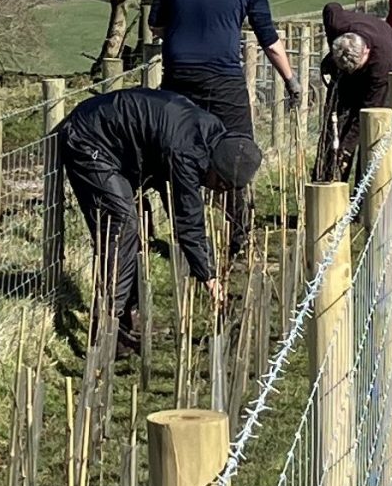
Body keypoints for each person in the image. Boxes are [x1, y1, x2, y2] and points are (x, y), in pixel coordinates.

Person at [58, 87, 263, 354]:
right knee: (121, 226)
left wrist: (204, 262)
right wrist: (209, 276)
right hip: (89, 139)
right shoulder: (188, 152)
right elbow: (187, 220)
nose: (218, 192)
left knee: (136, 226)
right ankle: (107, 330)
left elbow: (181, 204)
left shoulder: (210, 137)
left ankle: (128, 318)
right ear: (218, 171)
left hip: (115, 142)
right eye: (221, 186)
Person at [149, 0, 296, 254]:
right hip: (223, 79)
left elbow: (156, 27)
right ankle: (239, 236)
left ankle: (185, 235)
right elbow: (269, 41)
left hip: (180, 78)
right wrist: (290, 79)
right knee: (237, 150)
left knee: (177, 149)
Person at [313, 1, 392, 181]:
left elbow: (365, 111)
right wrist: (332, 54)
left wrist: (347, 146)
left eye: (354, 67)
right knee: (334, 121)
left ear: (365, 51)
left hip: (389, 71)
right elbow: (330, 7)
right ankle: (328, 177)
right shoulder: (337, 23)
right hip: (351, 65)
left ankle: (361, 192)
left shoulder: (381, 61)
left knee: (370, 132)